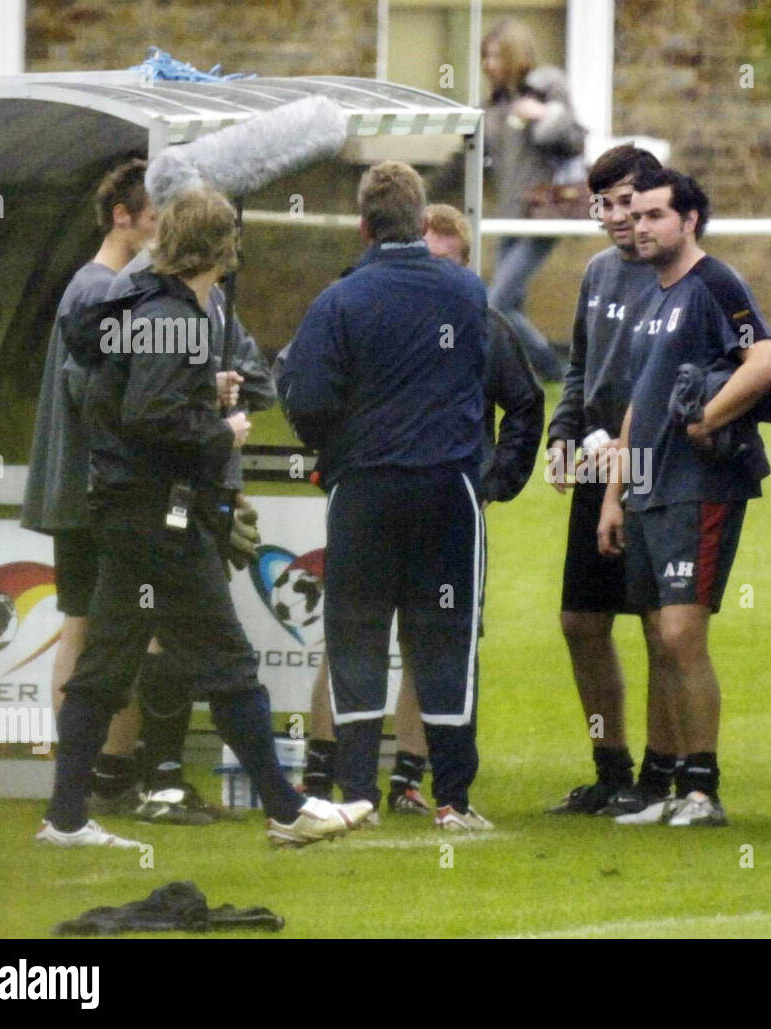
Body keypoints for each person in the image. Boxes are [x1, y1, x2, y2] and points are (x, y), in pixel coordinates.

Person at [37, 188, 372, 849]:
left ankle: (67, 817)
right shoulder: (181, 316)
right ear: (224, 246)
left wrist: (199, 393)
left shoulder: (140, 306)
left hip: (124, 507)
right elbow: (150, 415)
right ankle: (286, 808)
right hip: (161, 512)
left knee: (104, 667)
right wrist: (223, 427)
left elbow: (126, 393)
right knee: (228, 662)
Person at [298, 202, 543, 815]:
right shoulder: (419, 303)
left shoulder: (468, 317)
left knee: (424, 642)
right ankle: (341, 781)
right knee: (378, 639)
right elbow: (304, 385)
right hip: (429, 493)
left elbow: (525, 403)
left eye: (444, 262)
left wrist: (496, 479)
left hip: (418, 494)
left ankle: (403, 783)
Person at [280, 162, 492, 832]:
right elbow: (499, 380)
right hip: (447, 490)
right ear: (423, 220)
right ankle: (453, 797)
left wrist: (339, 445)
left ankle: (356, 793)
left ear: (365, 225)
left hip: (365, 489)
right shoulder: (466, 292)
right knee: (447, 639)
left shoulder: (340, 299)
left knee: (359, 635)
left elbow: (307, 398)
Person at [597, 168, 771, 827]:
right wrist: (613, 494)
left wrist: (709, 419)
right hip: (648, 488)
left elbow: (764, 359)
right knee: (658, 634)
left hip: (697, 488)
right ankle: (673, 784)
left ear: (689, 221)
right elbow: (639, 405)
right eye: (635, 214)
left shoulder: (714, 284)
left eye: (654, 215)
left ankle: (704, 788)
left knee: (680, 631)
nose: (640, 225)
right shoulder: (656, 295)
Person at [97, 203, 277, 826]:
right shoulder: (146, 304)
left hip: (182, 496)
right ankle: (155, 780)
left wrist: (215, 392)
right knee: (199, 652)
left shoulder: (207, 304)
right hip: (156, 503)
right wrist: (215, 425)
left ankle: (91, 800)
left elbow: (258, 381)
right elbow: (133, 408)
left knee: (124, 653)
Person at [542, 144, 687, 817]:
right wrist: (560, 435)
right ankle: (611, 764)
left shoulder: (683, 279)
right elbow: (580, 368)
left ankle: (663, 774)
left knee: (661, 628)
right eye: (605, 202)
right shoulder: (598, 272)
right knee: (581, 621)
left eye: (628, 200)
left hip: (654, 470)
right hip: (596, 463)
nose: (617, 215)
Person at [20, 158, 157, 813]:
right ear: (122, 217)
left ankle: (94, 776)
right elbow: (89, 389)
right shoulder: (98, 290)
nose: (161, 227)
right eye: (153, 214)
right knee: (94, 631)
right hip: (93, 493)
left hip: (83, 492)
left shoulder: (94, 286)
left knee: (94, 629)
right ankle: (90, 776)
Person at [481, 17, 586, 383]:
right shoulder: (494, 106)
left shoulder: (545, 87)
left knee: (496, 304)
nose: (488, 64)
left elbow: (576, 140)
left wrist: (544, 115)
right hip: (506, 217)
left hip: (543, 215)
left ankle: (553, 368)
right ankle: (523, 377)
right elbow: (470, 161)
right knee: (511, 305)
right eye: (485, 56)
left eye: (496, 55)